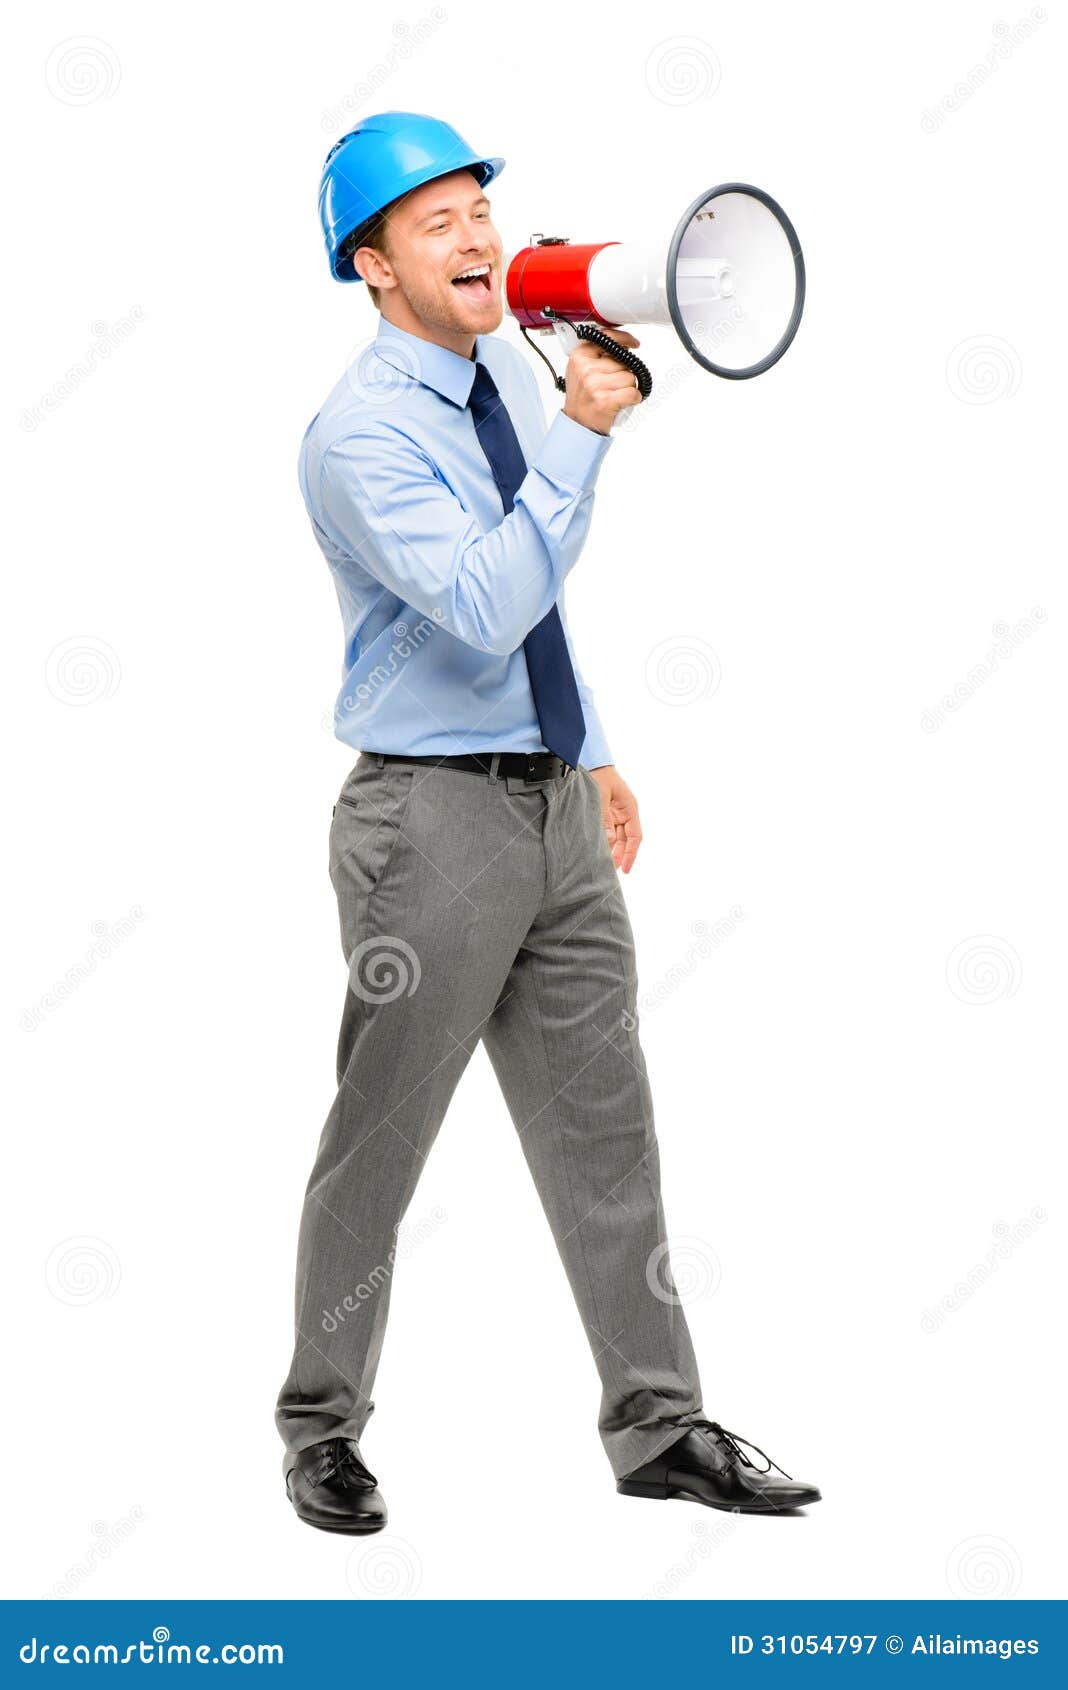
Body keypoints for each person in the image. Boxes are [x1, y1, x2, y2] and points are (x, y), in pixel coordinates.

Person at [277, 111, 820, 1533]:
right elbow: (482, 597)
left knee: (605, 1128)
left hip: (554, 806)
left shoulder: (503, 380)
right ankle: (320, 1428)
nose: (477, 238)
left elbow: (543, 575)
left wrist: (594, 749)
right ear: (373, 265)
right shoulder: (357, 435)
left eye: (480, 210)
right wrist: (585, 430)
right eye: (437, 222)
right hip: (428, 827)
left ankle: (660, 1424)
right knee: (381, 1141)